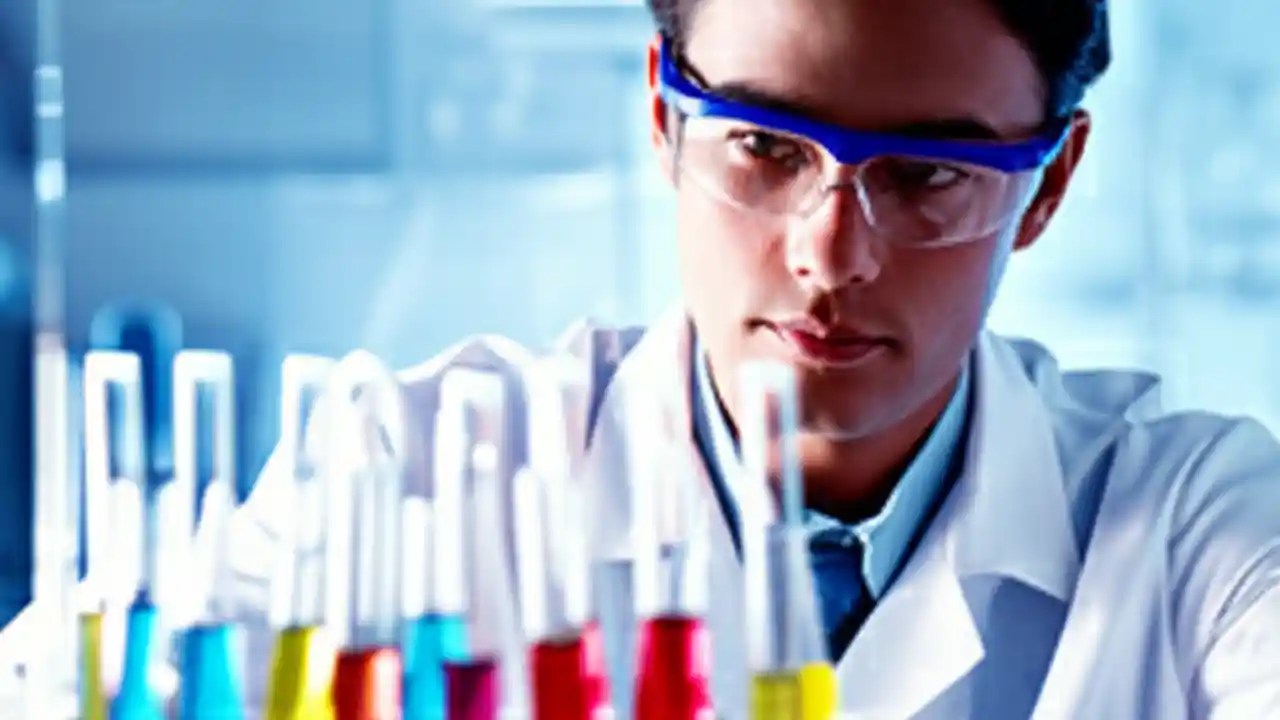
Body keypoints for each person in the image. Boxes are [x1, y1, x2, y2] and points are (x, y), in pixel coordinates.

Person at [227, 0, 1280, 717]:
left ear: (1045, 186)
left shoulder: (1195, 526)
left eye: (924, 174)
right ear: (662, 114)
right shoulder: (405, 472)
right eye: (764, 147)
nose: (829, 254)